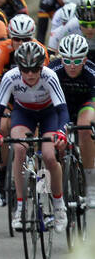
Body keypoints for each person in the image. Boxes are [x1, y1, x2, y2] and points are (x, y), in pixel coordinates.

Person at [0, 40, 69, 233]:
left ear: (42, 67)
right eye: (26, 70)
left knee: (49, 156)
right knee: (19, 148)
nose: (31, 74)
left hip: (49, 113)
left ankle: (58, 205)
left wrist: (61, 131)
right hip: (24, 113)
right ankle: (21, 206)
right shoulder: (10, 77)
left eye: (35, 69)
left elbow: (63, 110)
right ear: (19, 67)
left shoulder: (49, 77)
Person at [50, 34, 95, 202]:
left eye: (77, 61)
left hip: (84, 105)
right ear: (61, 59)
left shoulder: (91, 71)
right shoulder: (53, 69)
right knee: (55, 141)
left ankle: (91, 185)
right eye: (67, 61)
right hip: (61, 106)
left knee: (85, 127)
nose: (72, 66)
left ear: (84, 60)